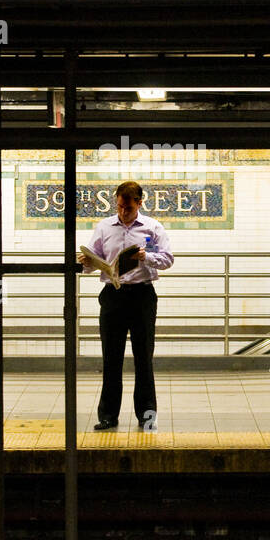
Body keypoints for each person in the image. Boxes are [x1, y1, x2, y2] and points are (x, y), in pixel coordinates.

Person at [76, 181, 173, 431]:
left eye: (128, 207)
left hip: (142, 297)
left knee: (144, 359)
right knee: (111, 358)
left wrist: (145, 257)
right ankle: (108, 415)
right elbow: (92, 261)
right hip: (113, 296)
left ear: (139, 203)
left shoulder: (152, 227)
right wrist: (88, 261)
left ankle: (146, 416)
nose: (123, 212)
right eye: (119, 206)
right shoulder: (105, 226)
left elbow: (167, 259)